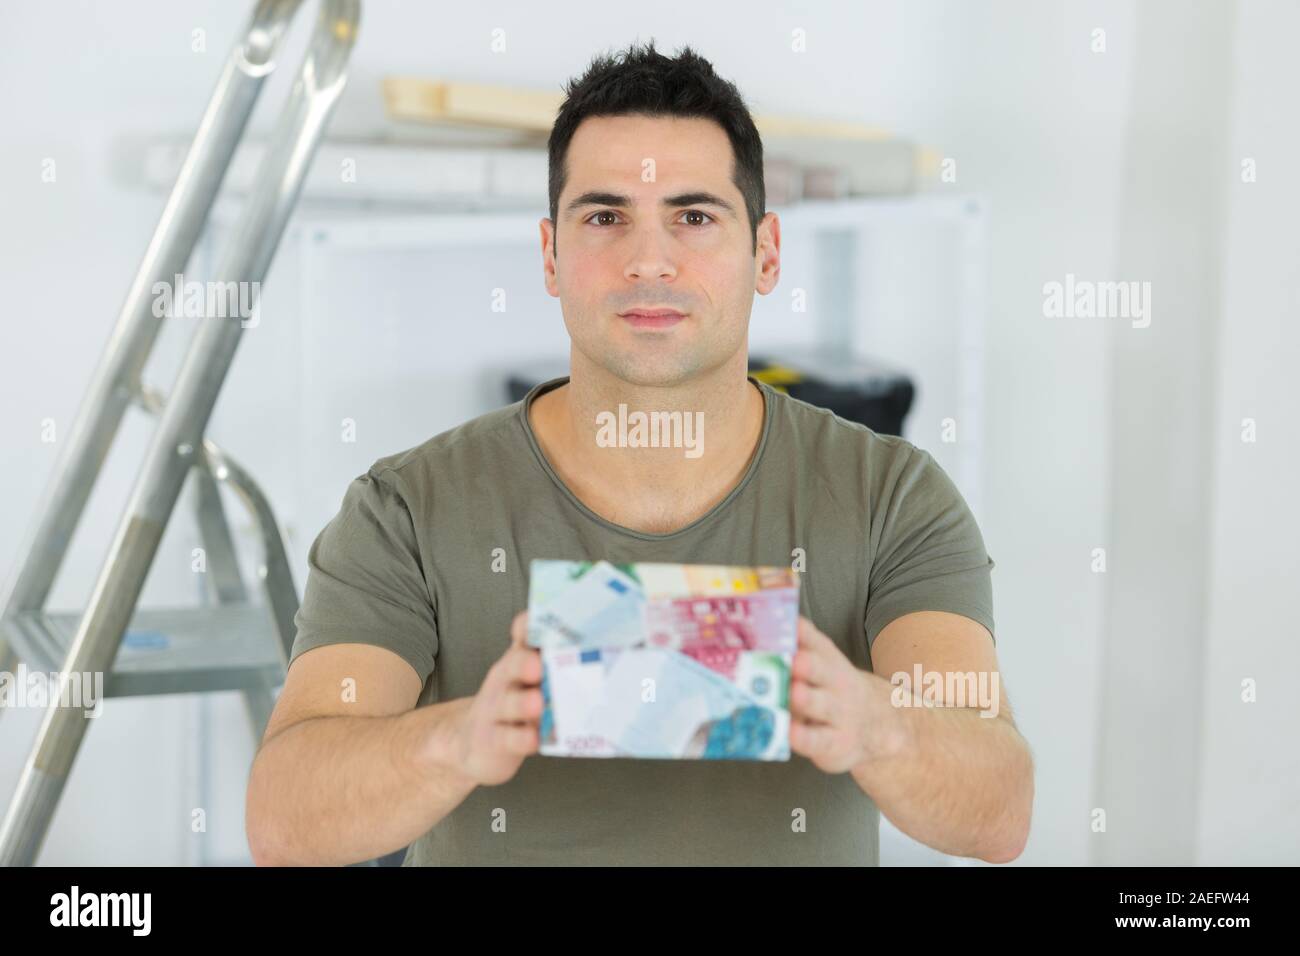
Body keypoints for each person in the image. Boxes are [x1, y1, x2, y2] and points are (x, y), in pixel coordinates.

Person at [245, 40, 1033, 867]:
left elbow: (997, 812)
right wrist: (457, 741)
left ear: (765, 254)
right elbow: (283, 821)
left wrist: (875, 723)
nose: (649, 260)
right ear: (550, 256)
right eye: (604, 216)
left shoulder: (891, 496)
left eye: (694, 216)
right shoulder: (408, 507)